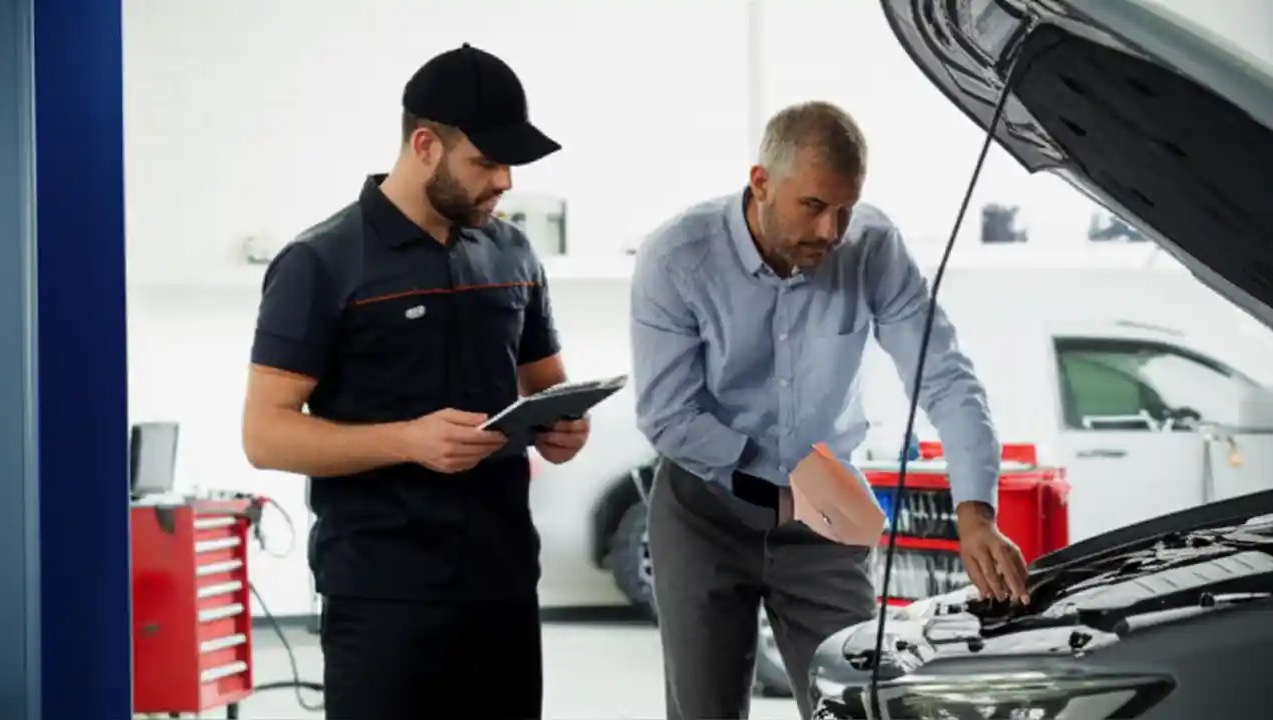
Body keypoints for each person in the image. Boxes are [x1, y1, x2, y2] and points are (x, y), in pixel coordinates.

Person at [629, 100, 1029, 720]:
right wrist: (787, 491)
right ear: (761, 182)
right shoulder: (678, 257)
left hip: (826, 522)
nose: (829, 232)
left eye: (844, 208)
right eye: (812, 206)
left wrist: (975, 512)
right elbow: (669, 417)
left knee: (859, 704)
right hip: (704, 510)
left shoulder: (873, 247)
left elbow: (945, 378)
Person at [241, 43, 589, 720]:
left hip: (504, 582)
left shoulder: (512, 252)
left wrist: (564, 428)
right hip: (382, 595)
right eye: (486, 163)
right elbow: (265, 433)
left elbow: (548, 384)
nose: (506, 182)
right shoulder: (321, 262)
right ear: (424, 144)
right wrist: (409, 441)